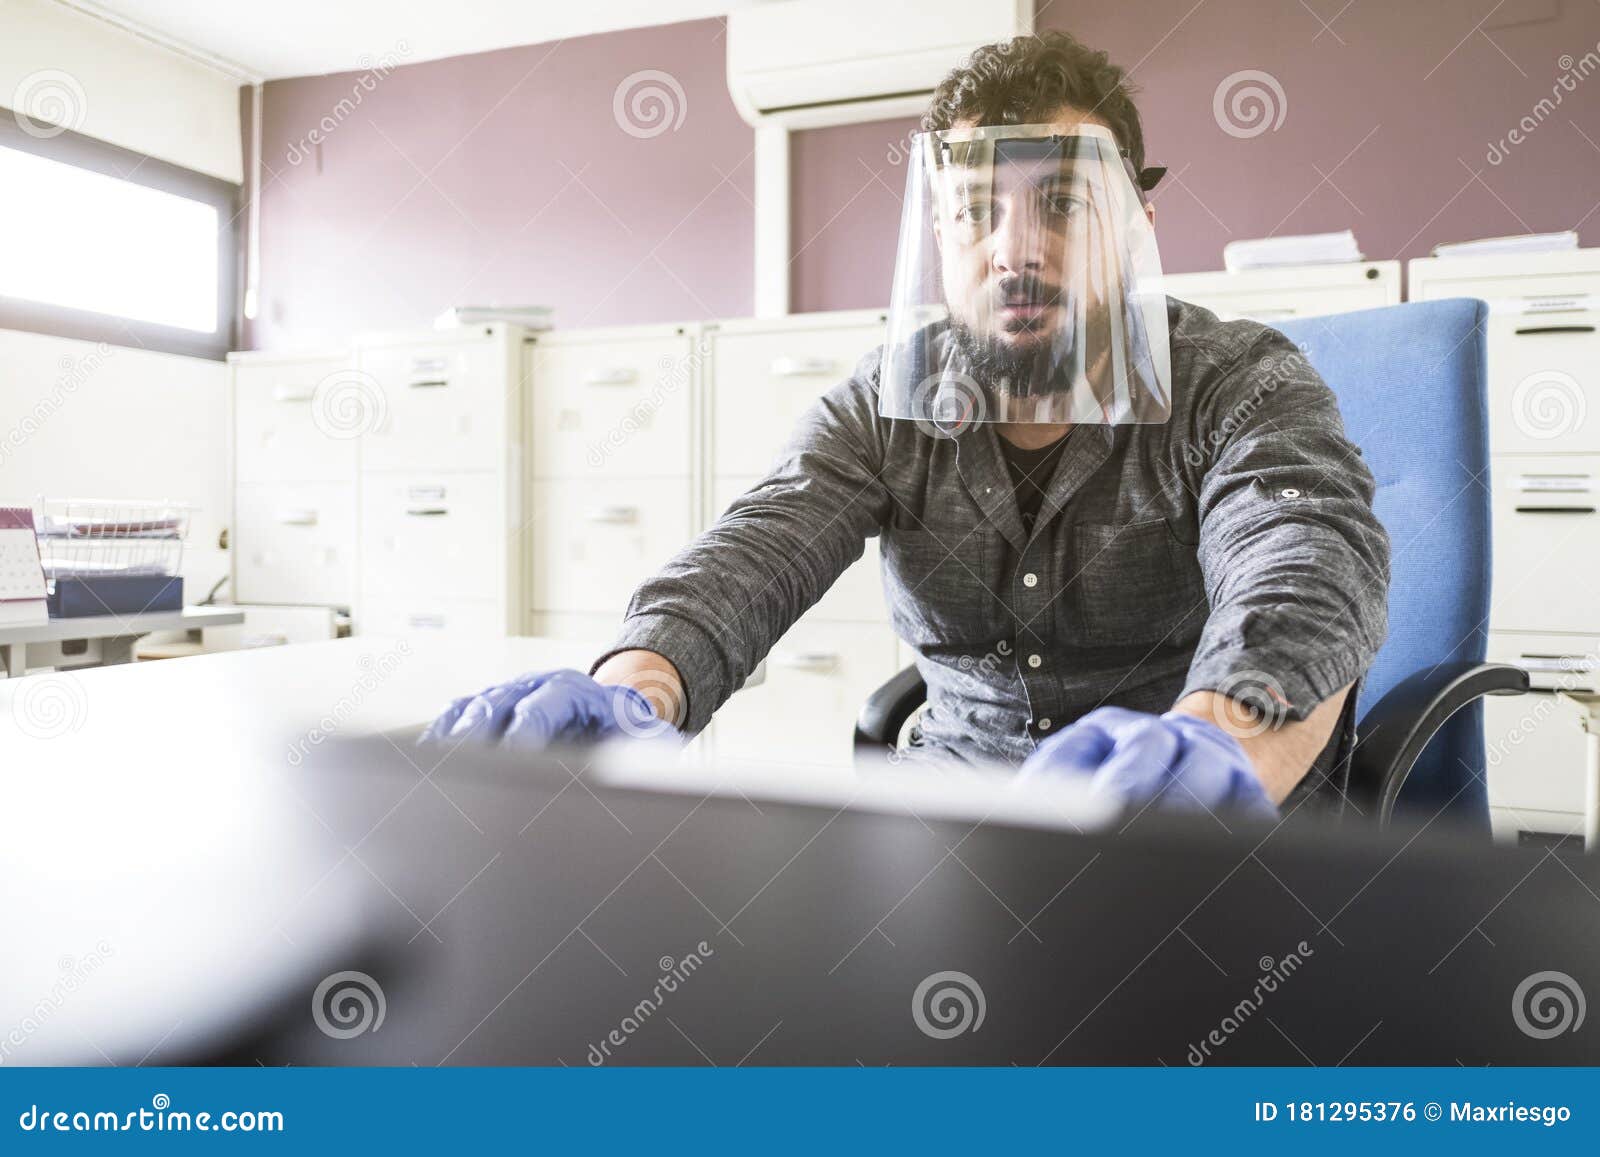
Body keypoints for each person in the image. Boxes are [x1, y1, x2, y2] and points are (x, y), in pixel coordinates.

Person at [421, 31, 1390, 817]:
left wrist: (1218, 738)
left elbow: (1303, 564)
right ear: (939, 235)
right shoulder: (893, 398)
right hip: (959, 839)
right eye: (974, 211)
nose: (1014, 250)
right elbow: (754, 551)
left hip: (1190, 847)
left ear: (1136, 223)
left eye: (1060, 203)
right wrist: (640, 680)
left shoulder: (1239, 383)